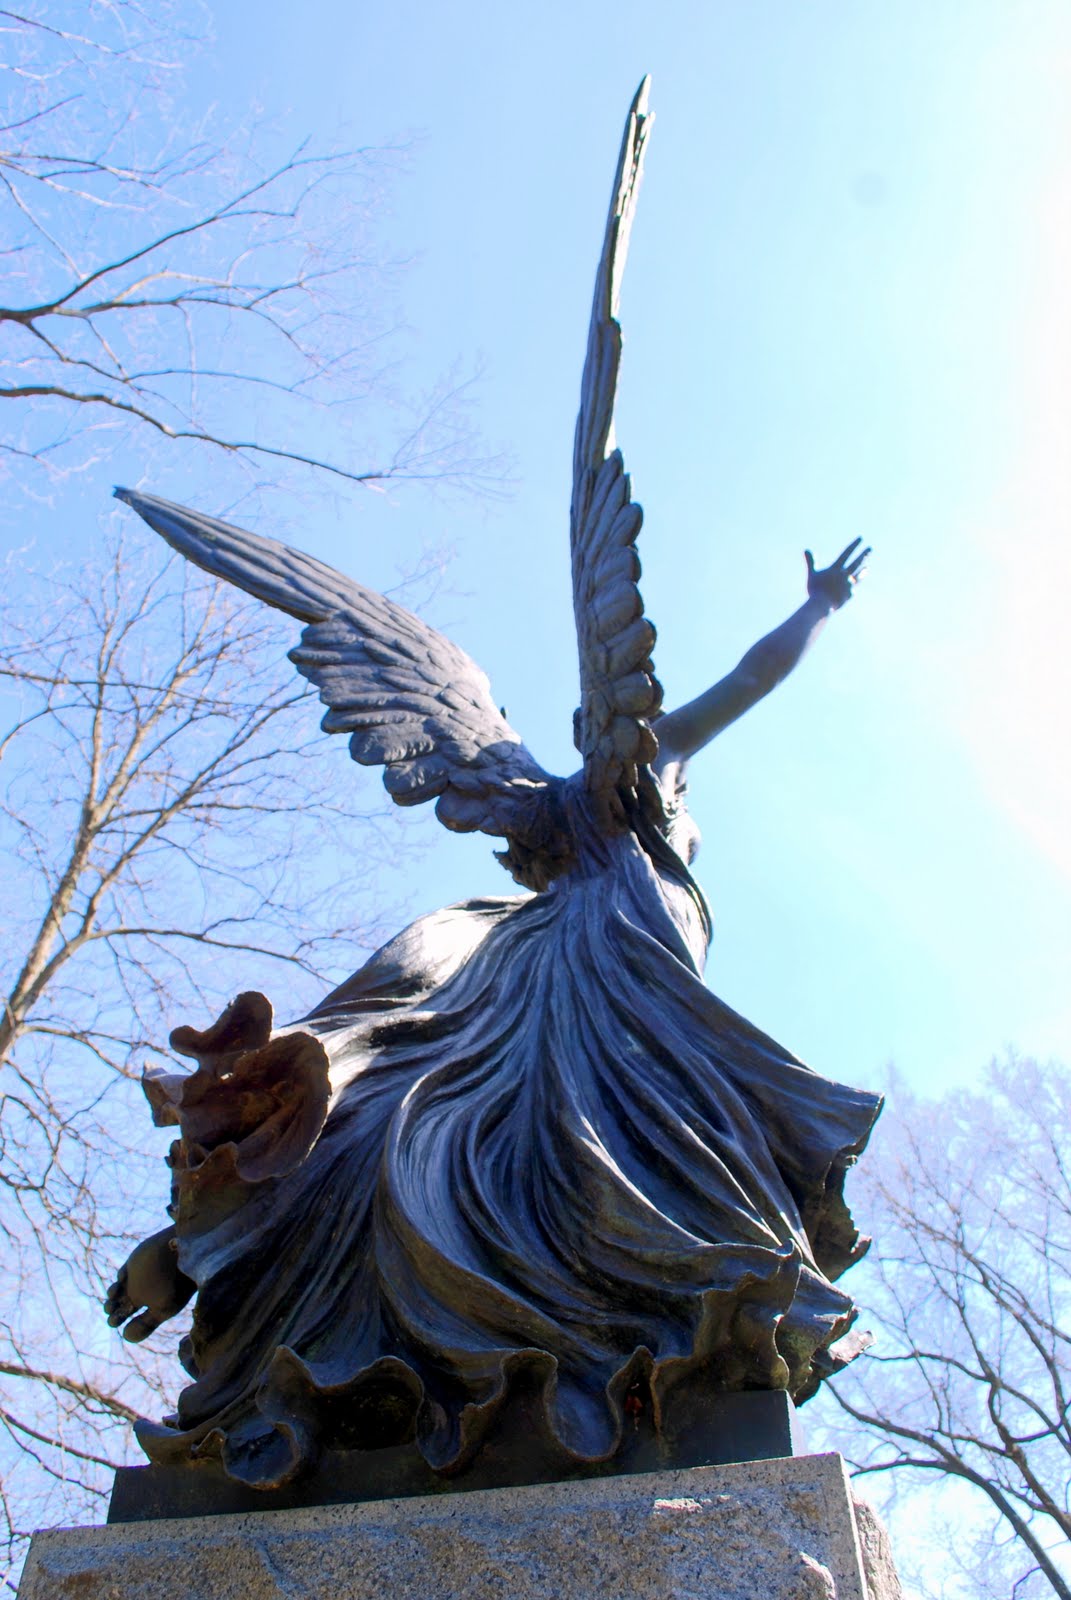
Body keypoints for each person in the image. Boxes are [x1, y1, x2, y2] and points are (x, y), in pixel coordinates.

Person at [106, 536, 880, 1490]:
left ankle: (251, 1250)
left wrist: (815, 608)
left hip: (558, 946)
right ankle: (241, 1246)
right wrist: (817, 610)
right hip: (612, 942)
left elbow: (742, 681)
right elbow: (749, 678)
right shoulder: (641, 775)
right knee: (576, 1116)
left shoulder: (579, 792)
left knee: (444, 1099)